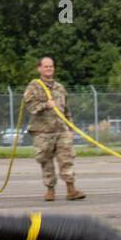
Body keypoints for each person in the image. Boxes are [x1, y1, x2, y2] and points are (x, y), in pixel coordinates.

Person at [22, 56, 85, 202]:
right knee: (46, 161)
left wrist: (70, 125)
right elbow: (31, 107)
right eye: (46, 66)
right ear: (39, 68)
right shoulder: (33, 87)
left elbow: (66, 109)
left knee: (66, 159)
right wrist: (46, 105)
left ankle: (71, 189)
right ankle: (50, 190)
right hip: (43, 132)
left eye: (51, 66)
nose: (49, 69)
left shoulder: (60, 88)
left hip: (61, 130)